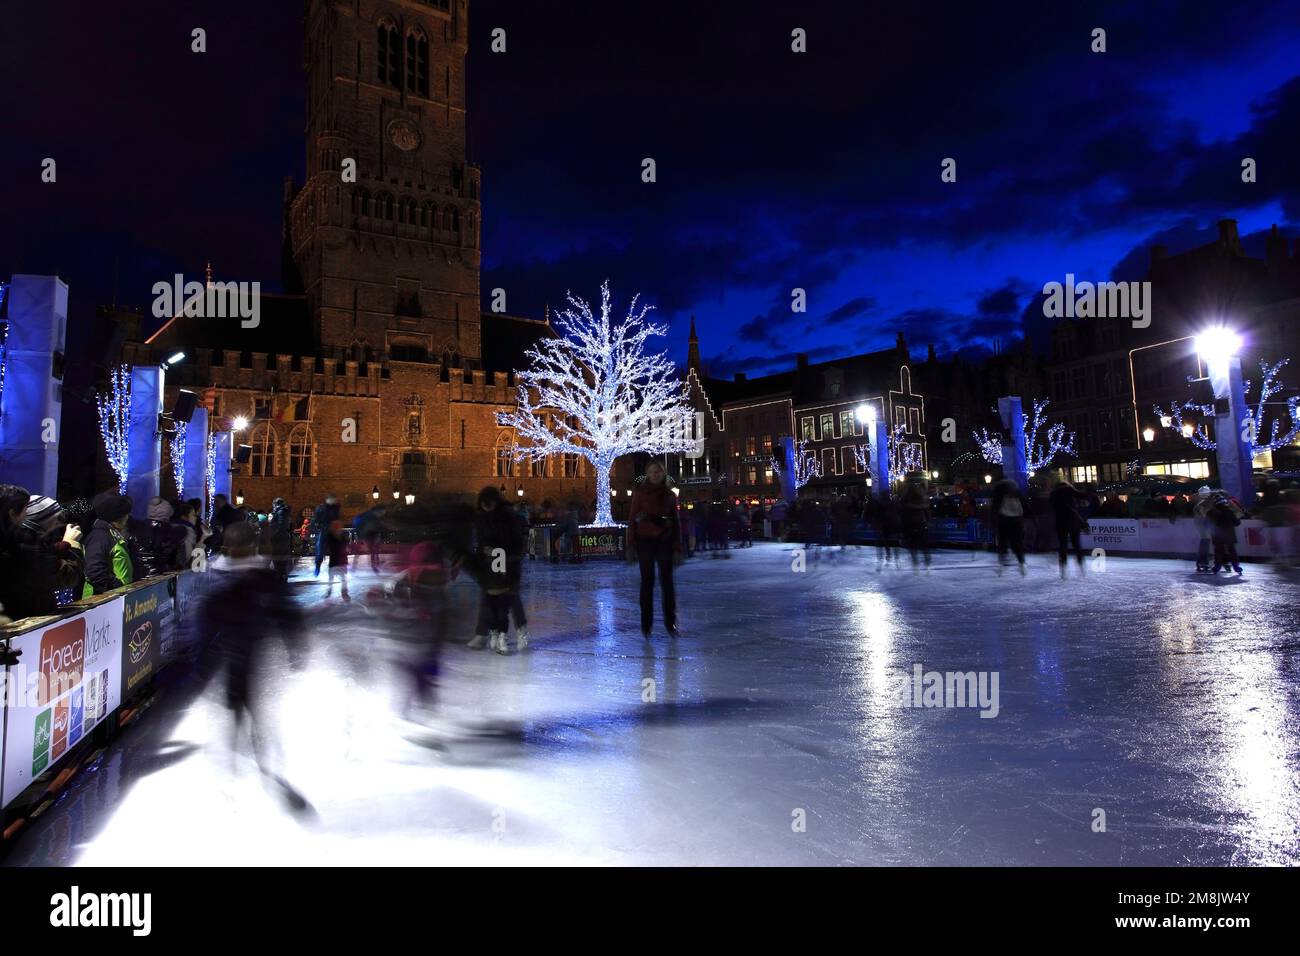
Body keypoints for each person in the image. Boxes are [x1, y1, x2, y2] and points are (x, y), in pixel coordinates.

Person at [195, 519, 309, 813]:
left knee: (248, 708)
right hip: (239, 654)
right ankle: (241, 771)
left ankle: (246, 770)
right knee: (244, 708)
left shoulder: (251, 579)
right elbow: (207, 620)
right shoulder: (235, 580)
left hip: (250, 654)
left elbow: (285, 612)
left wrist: (294, 644)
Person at [0, 488, 86, 622]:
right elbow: (66, 577)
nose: (27, 512)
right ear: (12, 513)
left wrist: (62, 547)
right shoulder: (24, 544)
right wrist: (72, 544)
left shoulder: (25, 542)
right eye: (25, 509)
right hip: (25, 624)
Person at [627, 462, 681, 639]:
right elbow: (632, 518)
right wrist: (631, 545)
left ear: (663, 473)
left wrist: (677, 546)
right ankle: (646, 624)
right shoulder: (640, 493)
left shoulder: (669, 495)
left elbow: (676, 521)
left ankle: (670, 623)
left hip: (664, 540)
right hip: (645, 541)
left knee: (667, 583)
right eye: (651, 472)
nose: (655, 475)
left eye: (658, 472)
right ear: (648, 474)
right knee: (647, 583)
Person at [468, 486, 524, 653]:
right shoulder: (482, 518)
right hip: (491, 562)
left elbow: (515, 540)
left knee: (507, 599)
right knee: (491, 598)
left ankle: (514, 633)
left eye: (489, 504)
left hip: (506, 561)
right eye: (484, 505)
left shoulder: (506, 517)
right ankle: (492, 633)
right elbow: (480, 541)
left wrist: (510, 557)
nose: (486, 508)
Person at [83, 491, 135, 596]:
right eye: (125, 514)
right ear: (117, 517)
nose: (128, 517)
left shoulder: (111, 535)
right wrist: (118, 588)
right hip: (101, 601)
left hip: (114, 599)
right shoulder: (99, 537)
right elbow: (94, 571)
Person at [133, 496, 188, 577]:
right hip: (162, 578)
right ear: (168, 513)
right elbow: (179, 562)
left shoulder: (135, 530)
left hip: (136, 578)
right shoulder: (174, 533)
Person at [1049, 479, 1091, 578]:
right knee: (1076, 544)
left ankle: (1063, 568)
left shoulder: (1053, 494)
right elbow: (1083, 496)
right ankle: (1081, 566)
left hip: (1059, 522)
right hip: (1072, 521)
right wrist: (1088, 489)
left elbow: (1051, 506)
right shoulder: (1068, 489)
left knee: (1062, 545)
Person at [991, 478, 1028, 575]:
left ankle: (1001, 566)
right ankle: (1022, 564)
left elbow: (995, 508)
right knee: (1017, 543)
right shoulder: (1017, 495)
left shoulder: (1000, 496)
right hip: (1017, 520)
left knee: (1003, 543)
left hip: (1004, 520)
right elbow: (1025, 507)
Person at [900, 478, 932, 570]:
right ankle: (925, 559)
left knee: (914, 544)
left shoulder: (907, 500)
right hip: (919, 523)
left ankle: (917, 562)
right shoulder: (919, 499)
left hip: (913, 524)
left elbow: (903, 512)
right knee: (922, 544)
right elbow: (926, 509)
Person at [1208, 493, 1244, 575]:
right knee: (1232, 551)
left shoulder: (1211, 512)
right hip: (1229, 535)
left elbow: (1206, 524)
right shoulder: (1229, 511)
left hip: (1217, 535)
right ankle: (1236, 566)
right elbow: (1237, 523)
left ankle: (1217, 567)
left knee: (1218, 551)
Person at [311, 494, 341, 576]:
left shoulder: (335, 508)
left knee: (334, 550)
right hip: (324, 530)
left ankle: (333, 567)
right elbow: (315, 519)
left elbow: (336, 519)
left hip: (332, 530)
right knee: (320, 550)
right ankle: (318, 566)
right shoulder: (321, 508)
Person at [267, 497, 295, 581]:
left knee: (278, 559)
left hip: (279, 539)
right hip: (282, 538)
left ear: (275, 504)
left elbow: (280, 526)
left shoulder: (280, 512)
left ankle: (281, 579)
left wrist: (273, 535)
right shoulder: (283, 511)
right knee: (281, 559)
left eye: (273, 505)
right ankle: (282, 577)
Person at [1191, 486, 1215, 572]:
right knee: (1205, 542)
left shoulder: (1202, 504)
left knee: (1205, 542)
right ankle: (1203, 562)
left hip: (1202, 526)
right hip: (1203, 526)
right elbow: (1203, 515)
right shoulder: (1202, 504)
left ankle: (1202, 562)